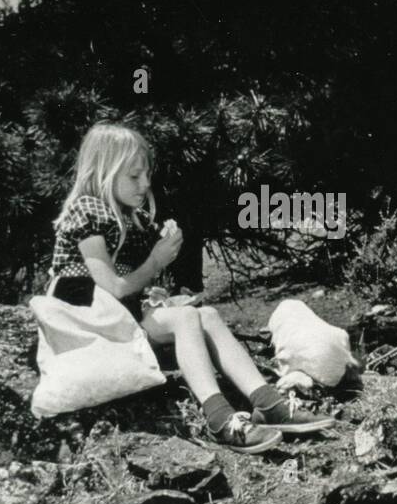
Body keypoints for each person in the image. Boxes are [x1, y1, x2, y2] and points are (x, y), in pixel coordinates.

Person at [48, 122, 335, 454]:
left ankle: (268, 401)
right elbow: (112, 287)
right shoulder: (85, 211)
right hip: (87, 324)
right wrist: (156, 261)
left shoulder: (127, 215)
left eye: (146, 175)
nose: (145, 184)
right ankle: (218, 416)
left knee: (207, 315)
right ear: (104, 173)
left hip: (117, 320)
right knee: (185, 319)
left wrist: (162, 243)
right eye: (133, 177)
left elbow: (132, 283)